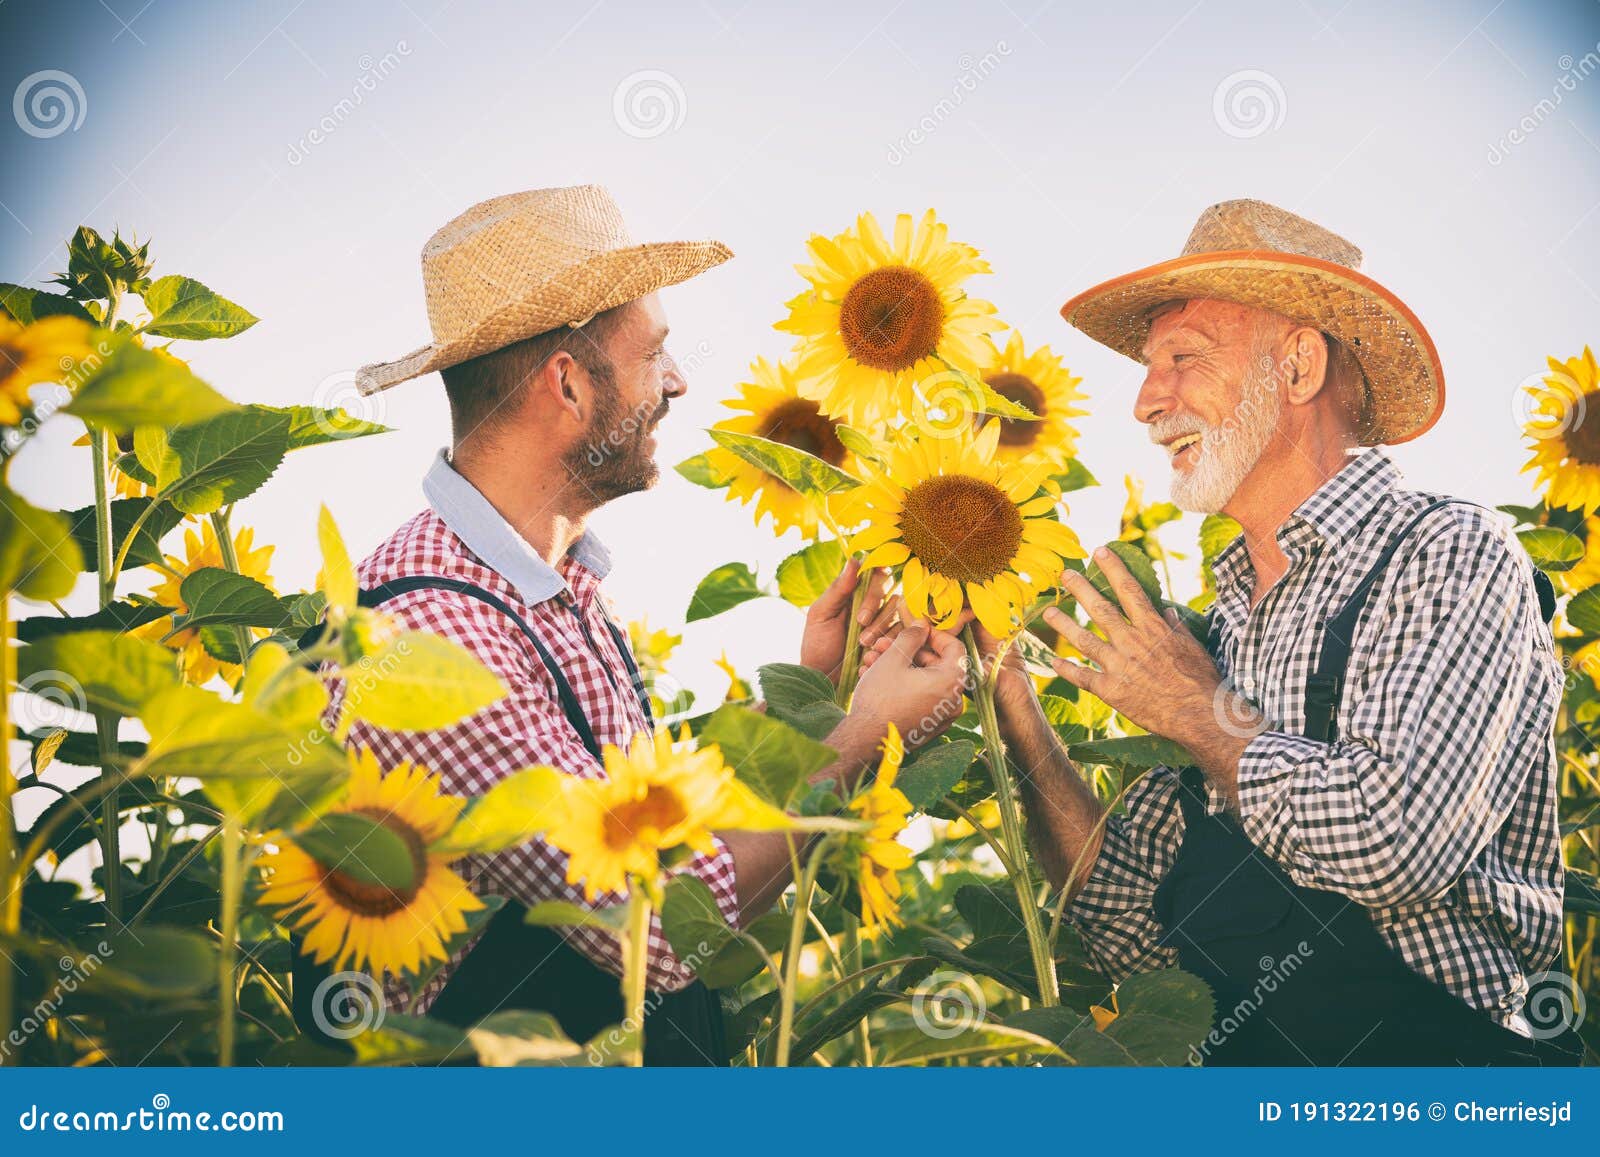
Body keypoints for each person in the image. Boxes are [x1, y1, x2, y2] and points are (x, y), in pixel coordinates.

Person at [867, 199, 1579, 1065]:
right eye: (1149, 364)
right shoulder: (1227, 618)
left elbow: (1400, 841)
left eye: (1182, 358)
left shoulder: (1448, 557)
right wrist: (1010, 696)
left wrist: (1204, 716)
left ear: (1299, 366)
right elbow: (1129, 924)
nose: (1144, 400)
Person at [320, 185, 967, 1065]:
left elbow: (676, 843)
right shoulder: (431, 636)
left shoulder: (553, 589)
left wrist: (821, 696)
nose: (678, 381)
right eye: (654, 353)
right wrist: (860, 739)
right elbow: (656, 926)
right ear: (569, 382)